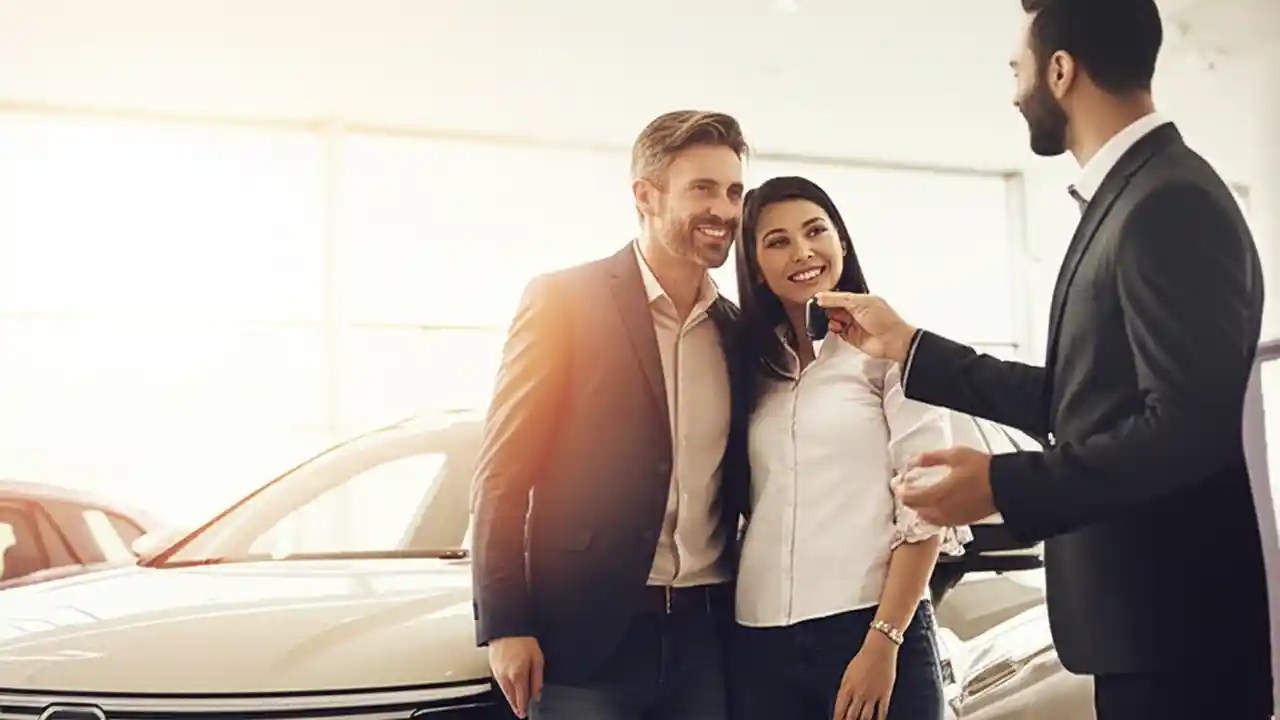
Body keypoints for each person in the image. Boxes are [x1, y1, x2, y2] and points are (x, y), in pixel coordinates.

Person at [815, 1, 1272, 718]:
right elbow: (1080, 400)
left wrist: (1002, 485)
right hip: (1148, 635)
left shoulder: (1169, 201)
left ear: (1060, 71)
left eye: (1017, 68)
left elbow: (1188, 432)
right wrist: (910, 347)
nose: (1013, 90)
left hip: (1180, 639)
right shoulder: (1133, 197)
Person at [470, 109, 750, 720]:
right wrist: (504, 625)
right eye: (702, 188)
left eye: (734, 192)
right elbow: (502, 475)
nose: (725, 210)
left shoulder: (736, 331)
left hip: (706, 639)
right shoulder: (564, 301)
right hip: (587, 640)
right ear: (645, 196)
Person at [727, 176, 970, 720]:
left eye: (816, 231)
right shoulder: (749, 370)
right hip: (758, 640)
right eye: (777, 241)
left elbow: (926, 509)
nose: (803, 251)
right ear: (757, 268)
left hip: (869, 628)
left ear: (842, 242)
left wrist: (884, 641)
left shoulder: (892, 352)